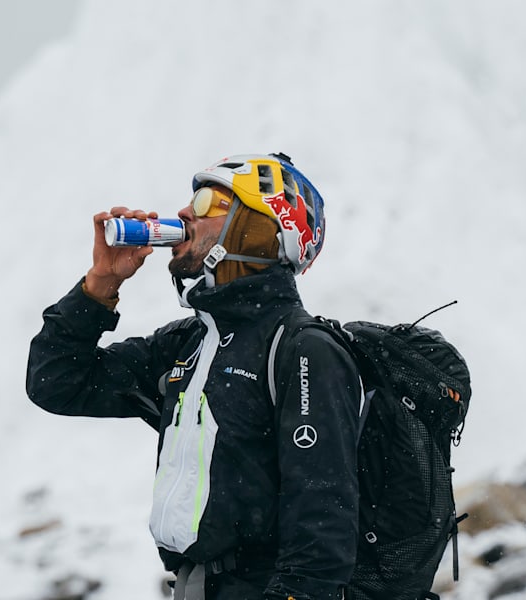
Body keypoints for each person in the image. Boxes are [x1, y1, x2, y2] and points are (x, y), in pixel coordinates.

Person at [26, 153, 364, 600]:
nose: (185, 211)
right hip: (194, 587)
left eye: (208, 202)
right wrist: (101, 285)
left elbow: (322, 527)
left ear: (260, 229)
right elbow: (56, 383)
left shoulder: (303, 349)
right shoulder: (188, 342)